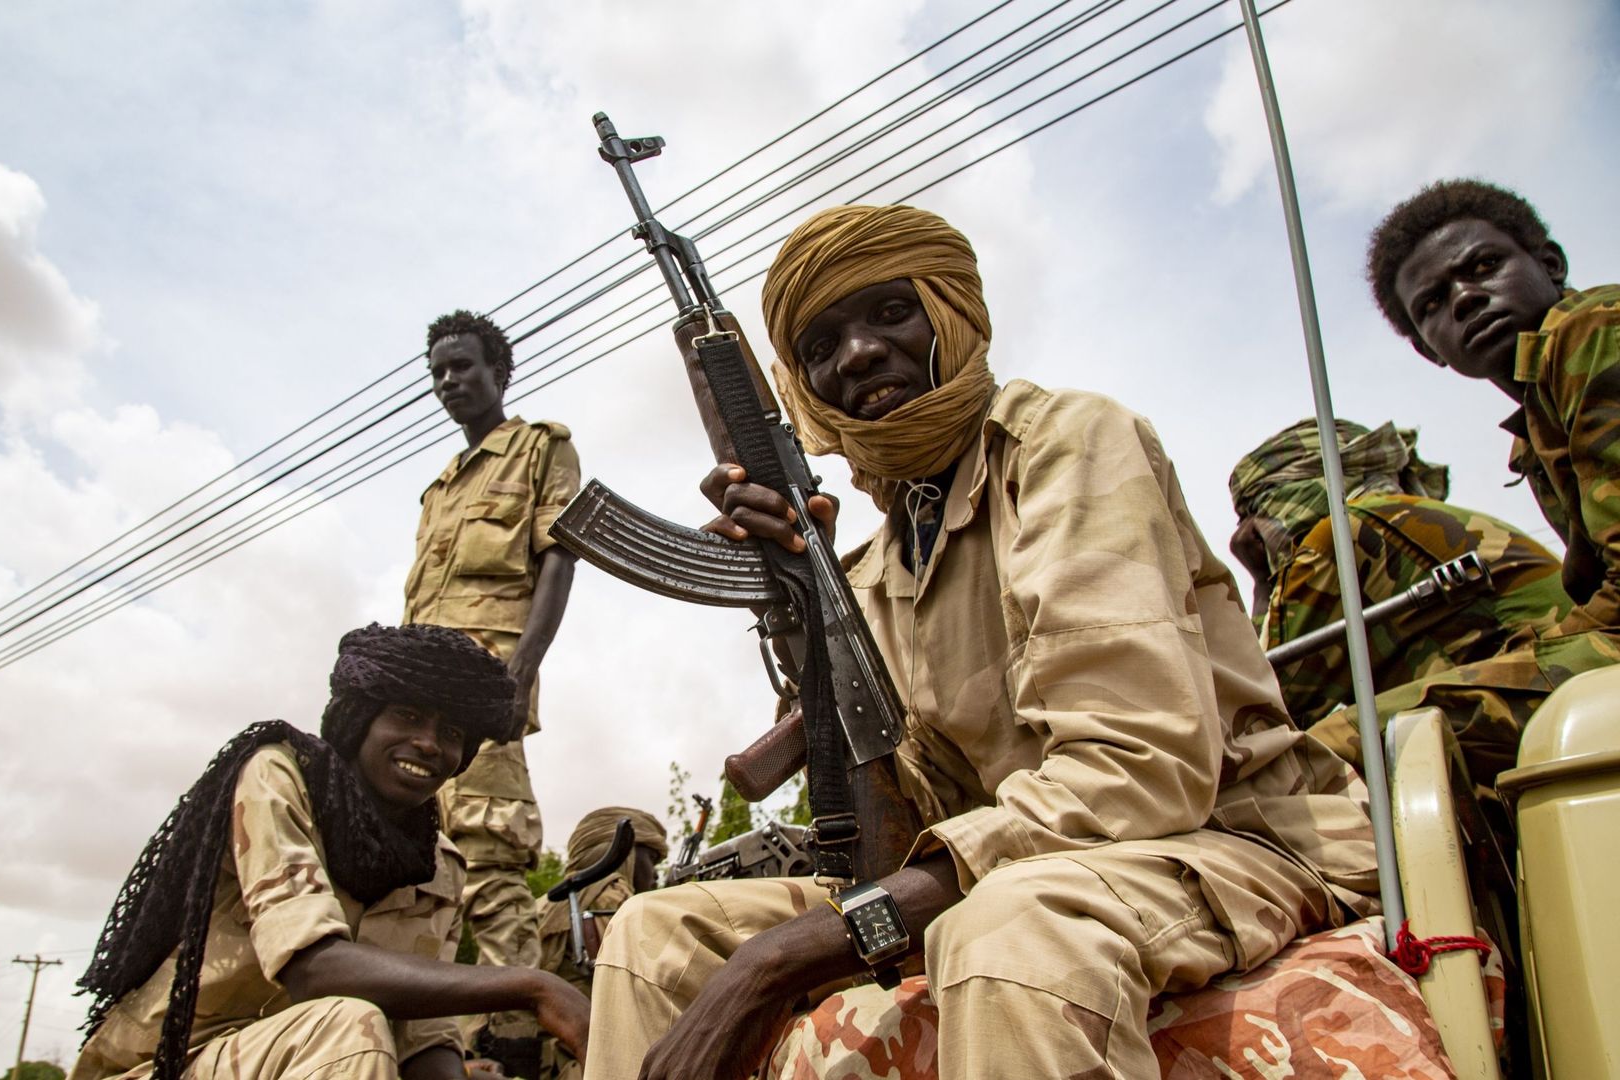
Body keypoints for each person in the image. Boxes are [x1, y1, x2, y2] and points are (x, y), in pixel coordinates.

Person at [584, 205, 1379, 1080]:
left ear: (951, 313)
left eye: (890, 314)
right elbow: (904, 829)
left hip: (1229, 837)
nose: (855, 354)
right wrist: (803, 605)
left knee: (1005, 927)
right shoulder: (876, 566)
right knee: (651, 935)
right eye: (820, 347)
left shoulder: (1067, 443)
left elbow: (1140, 771)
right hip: (1023, 861)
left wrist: (772, 961)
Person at [70, 624, 588, 1080]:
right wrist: (534, 986)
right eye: (407, 716)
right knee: (349, 1021)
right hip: (172, 1065)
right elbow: (314, 968)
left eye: (451, 733)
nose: (430, 744)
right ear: (358, 720)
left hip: (320, 1059)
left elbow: (423, 1040)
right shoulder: (281, 776)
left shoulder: (440, 864)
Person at [1343, 178, 1620, 776]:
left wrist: (1533, 652)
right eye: (1434, 304)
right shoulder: (1534, 429)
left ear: (1549, 263)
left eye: (1486, 265)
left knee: (1354, 739)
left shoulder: (1593, 329)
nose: (1465, 298)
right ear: (1429, 350)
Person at [404, 310, 580, 1041]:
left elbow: (561, 557)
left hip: (484, 687)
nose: (449, 382)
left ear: (498, 372)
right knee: (416, 865)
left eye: (463, 366)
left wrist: (518, 672)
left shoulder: (540, 448)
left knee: (486, 853)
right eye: (438, 372)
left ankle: (528, 1036)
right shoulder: (437, 489)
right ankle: (444, 1033)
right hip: (411, 696)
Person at [1229, 418, 1571, 734]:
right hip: (1559, 689)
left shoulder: (1344, 535)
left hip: (1548, 696)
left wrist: (1262, 582)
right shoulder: (1400, 516)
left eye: (1253, 512)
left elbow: (1258, 706)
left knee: (1308, 755)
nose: (1245, 532)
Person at [536, 808, 668, 996]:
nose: (655, 873)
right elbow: (649, 979)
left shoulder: (550, 900)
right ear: (625, 854)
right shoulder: (610, 895)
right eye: (652, 859)